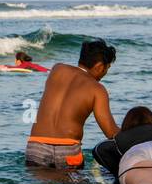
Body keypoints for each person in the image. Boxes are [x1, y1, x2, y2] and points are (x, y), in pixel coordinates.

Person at [25, 39, 118, 169]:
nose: (105, 73)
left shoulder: (57, 69)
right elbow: (111, 133)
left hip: (37, 146)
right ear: (100, 66)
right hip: (68, 149)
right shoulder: (97, 89)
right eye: (107, 68)